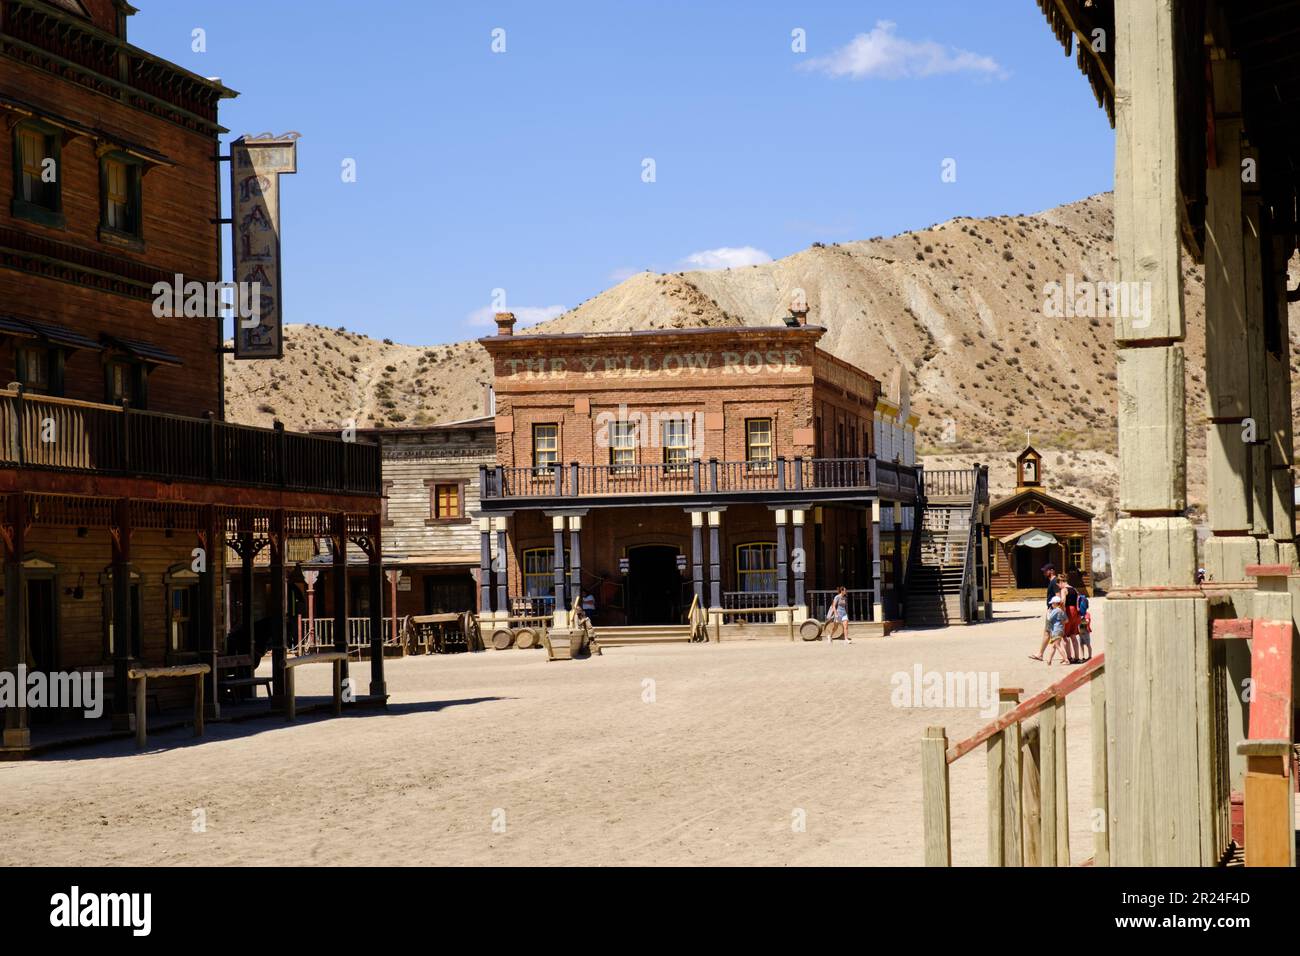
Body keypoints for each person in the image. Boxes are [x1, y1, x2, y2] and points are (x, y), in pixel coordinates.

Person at [1030, 564, 1059, 661]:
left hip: (1053, 610)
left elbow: (1058, 596)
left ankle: (1040, 654)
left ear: (1051, 571)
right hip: (1052, 609)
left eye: (1045, 571)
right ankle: (1041, 653)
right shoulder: (1052, 581)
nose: (1044, 572)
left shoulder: (1054, 581)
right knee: (1052, 633)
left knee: (1048, 632)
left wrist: (1053, 609)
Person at [1044, 595, 1068, 665]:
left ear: (1055, 603)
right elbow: (1066, 620)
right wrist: (1060, 621)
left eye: (1052, 603)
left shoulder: (1056, 610)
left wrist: (1048, 612)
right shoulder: (1061, 610)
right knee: (1054, 646)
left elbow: (1049, 618)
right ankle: (1049, 660)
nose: (1051, 605)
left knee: (1057, 645)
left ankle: (1066, 660)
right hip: (1060, 629)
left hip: (1056, 630)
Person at [1077, 590, 1093, 661]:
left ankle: (1090, 656)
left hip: (1085, 631)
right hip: (1080, 632)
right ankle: (1082, 656)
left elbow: (1087, 621)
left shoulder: (1086, 614)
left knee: (1088, 644)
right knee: (1081, 644)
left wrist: (1081, 620)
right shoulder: (1079, 615)